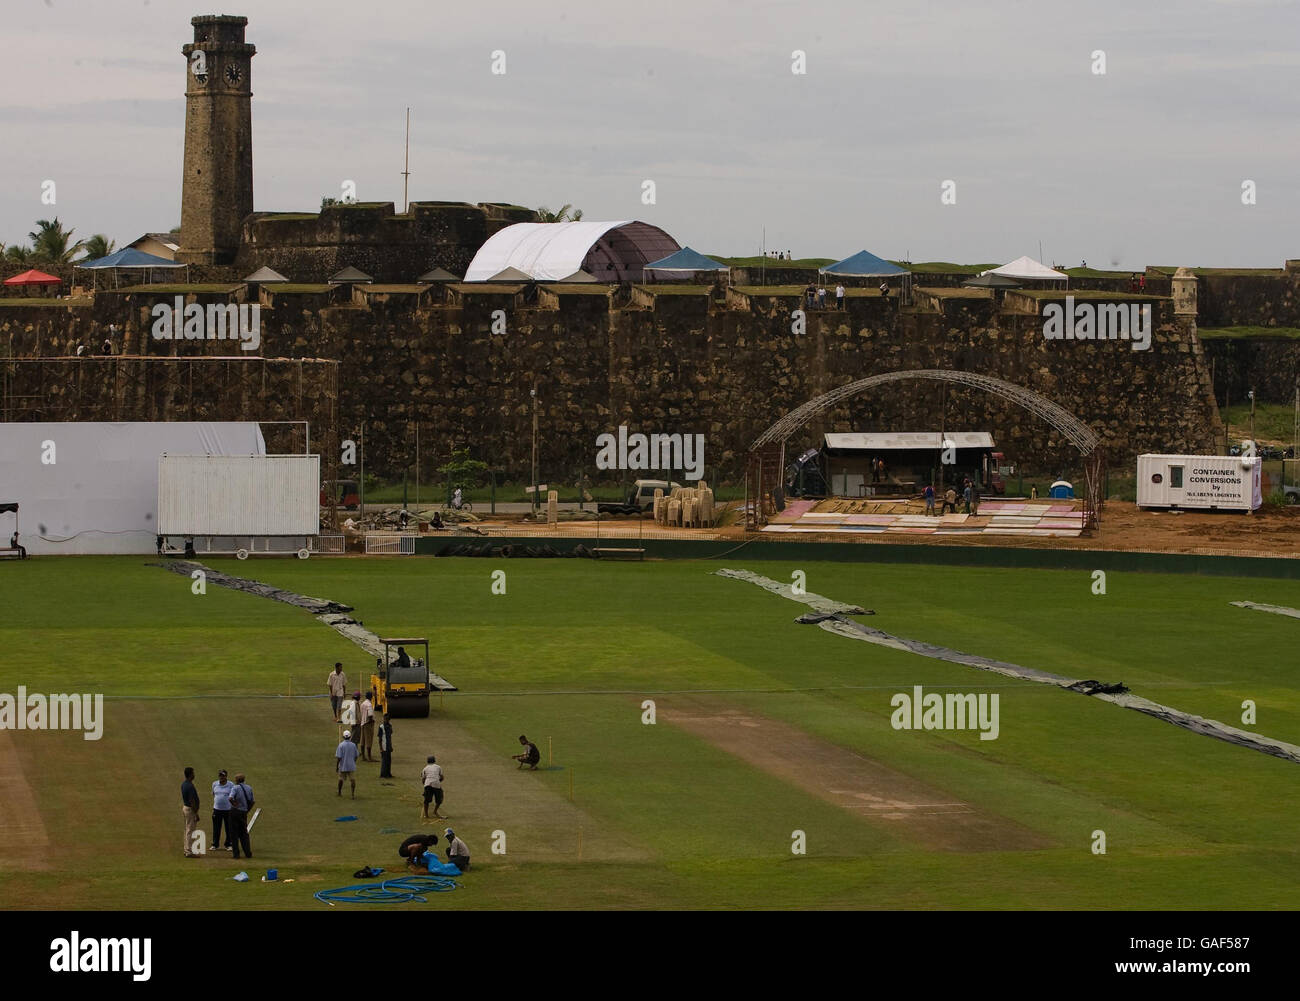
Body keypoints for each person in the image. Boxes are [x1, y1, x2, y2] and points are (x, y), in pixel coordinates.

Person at [227, 772, 254, 860]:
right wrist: (247, 810)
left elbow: (230, 798)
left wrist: (235, 805)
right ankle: (247, 853)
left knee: (234, 833)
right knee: (244, 833)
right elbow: (252, 801)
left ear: (237, 780)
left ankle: (236, 854)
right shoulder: (249, 788)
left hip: (235, 812)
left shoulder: (235, 787)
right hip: (243, 812)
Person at [211, 769, 233, 852]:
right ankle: (215, 845)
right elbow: (214, 794)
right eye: (220, 775)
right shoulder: (214, 784)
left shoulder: (231, 785)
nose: (221, 777)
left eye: (223, 776)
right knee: (216, 828)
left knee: (229, 828)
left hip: (228, 810)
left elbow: (233, 795)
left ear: (226, 776)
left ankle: (228, 844)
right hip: (217, 810)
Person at [181, 767, 201, 858]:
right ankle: (189, 851)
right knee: (190, 830)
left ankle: (186, 849)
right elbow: (192, 800)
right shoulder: (190, 786)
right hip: (190, 809)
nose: (194, 775)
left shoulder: (184, 784)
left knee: (187, 829)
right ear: (190, 774)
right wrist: (196, 813)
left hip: (186, 808)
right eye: (193, 773)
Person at [421, 754, 446, 820]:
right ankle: (435, 812)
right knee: (439, 799)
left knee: (426, 801)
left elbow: (423, 779)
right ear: (434, 761)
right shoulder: (438, 767)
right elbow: (442, 777)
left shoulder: (425, 768)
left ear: (427, 761)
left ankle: (426, 815)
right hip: (436, 784)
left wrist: (424, 787)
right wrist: (438, 781)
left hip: (427, 784)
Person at [336, 731, 359, 797]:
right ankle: (352, 794)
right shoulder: (353, 745)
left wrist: (337, 766)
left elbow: (339, 757)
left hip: (343, 765)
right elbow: (356, 755)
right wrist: (354, 762)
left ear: (343, 737)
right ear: (350, 737)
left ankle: (339, 792)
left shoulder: (341, 745)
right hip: (351, 765)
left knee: (340, 779)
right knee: (352, 780)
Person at [359, 690, 375, 761]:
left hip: (362, 723)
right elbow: (370, 715)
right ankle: (369, 757)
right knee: (369, 740)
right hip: (368, 724)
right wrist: (371, 721)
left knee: (363, 740)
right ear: (371, 697)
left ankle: (363, 756)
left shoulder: (362, 704)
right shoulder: (369, 704)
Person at [378, 712, 394, 777]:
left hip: (388, 746)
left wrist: (391, 746)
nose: (385, 720)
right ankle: (383, 774)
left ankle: (388, 773)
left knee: (389, 761)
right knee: (384, 761)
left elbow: (390, 737)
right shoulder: (381, 727)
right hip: (384, 746)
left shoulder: (390, 726)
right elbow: (380, 739)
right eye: (385, 719)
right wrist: (381, 748)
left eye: (387, 719)